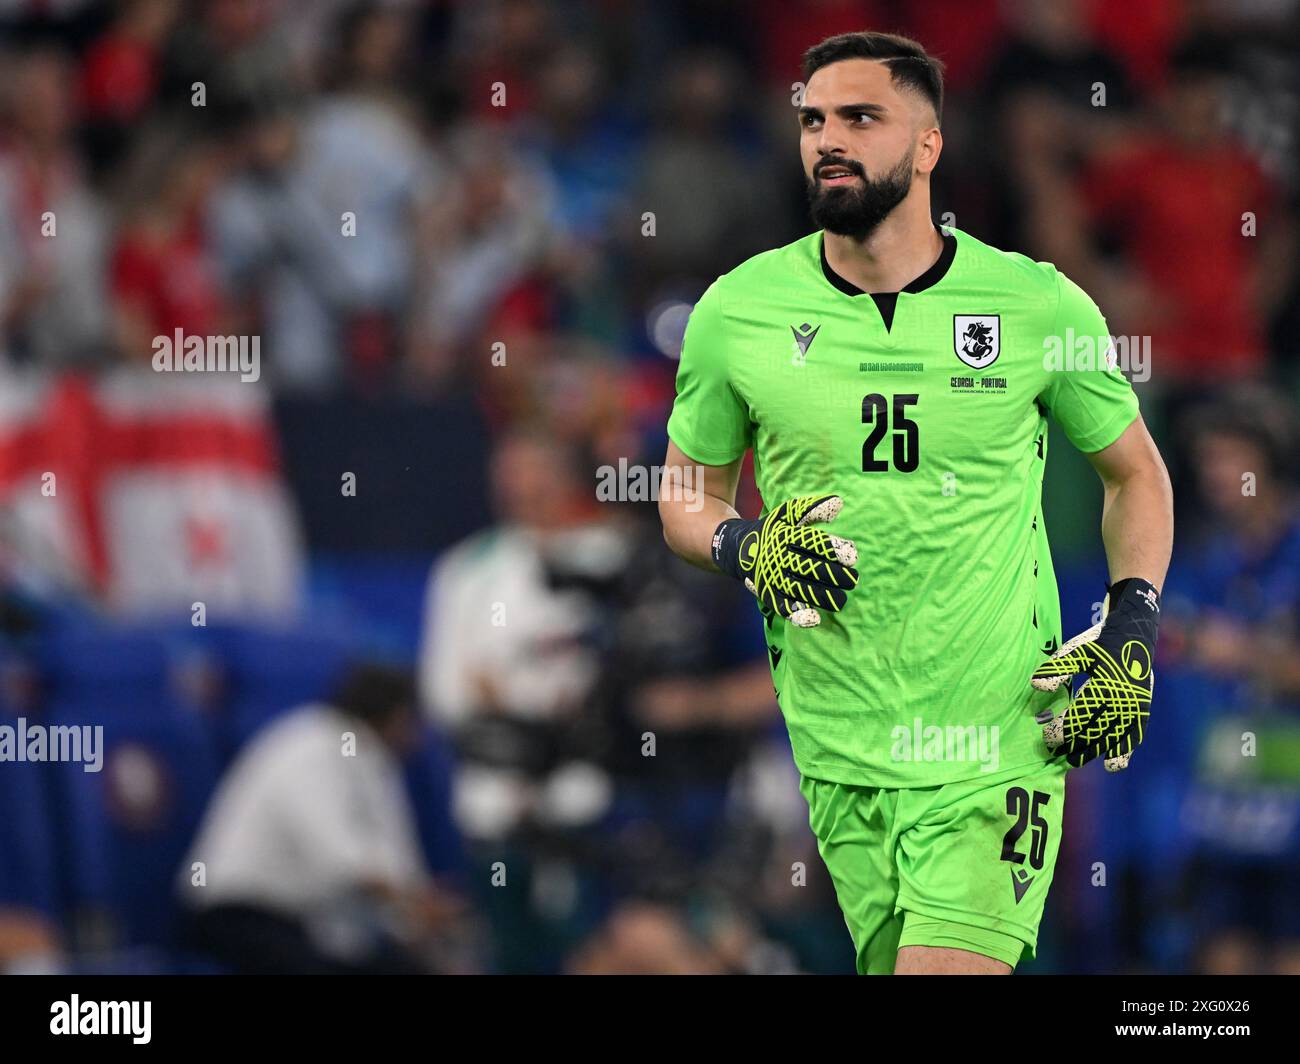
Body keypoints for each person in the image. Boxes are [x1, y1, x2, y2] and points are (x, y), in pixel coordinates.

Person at [657, 31, 1173, 975]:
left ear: (928, 146)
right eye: (813, 119)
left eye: (861, 117)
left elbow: (1136, 473)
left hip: (997, 737)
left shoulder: (1036, 305)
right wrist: (743, 546)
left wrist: (1130, 625)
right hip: (837, 743)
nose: (828, 140)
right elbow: (687, 493)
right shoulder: (737, 312)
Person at [177, 664, 462, 974]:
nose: (418, 739)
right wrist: (417, 901)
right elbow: (340, 859)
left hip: (314, 924)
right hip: (240, 914)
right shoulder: (310, 744)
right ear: (395, 715)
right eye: (413, 722)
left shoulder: (376, 764)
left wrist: (420, 922)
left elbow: (392, 865)